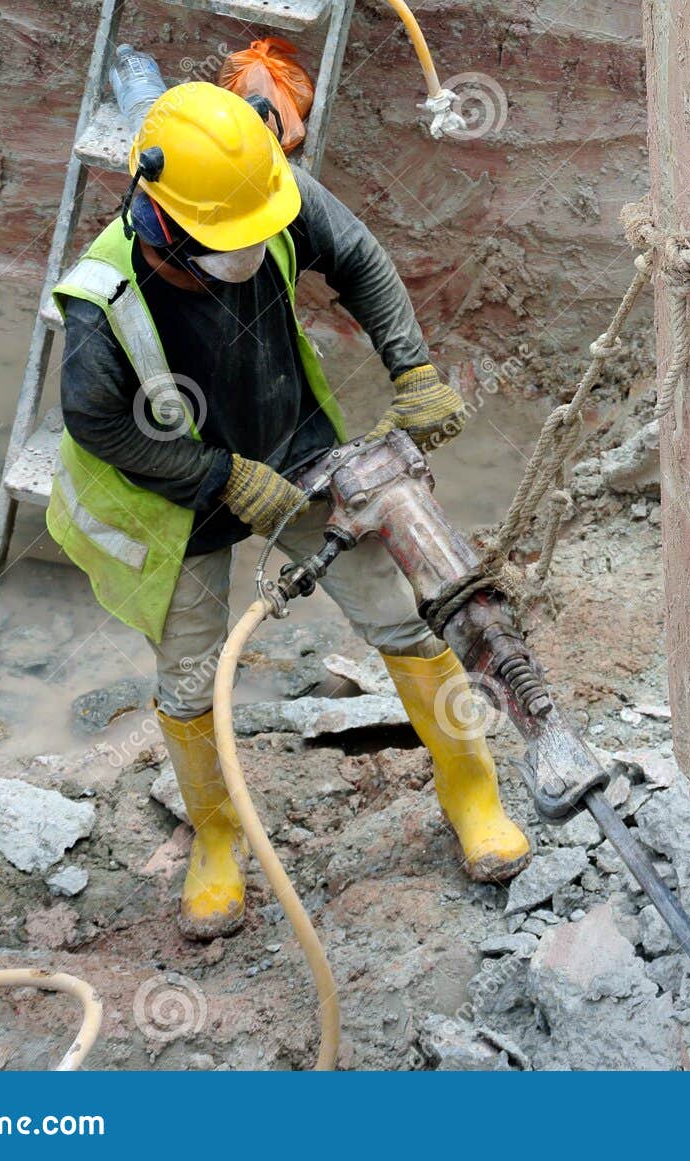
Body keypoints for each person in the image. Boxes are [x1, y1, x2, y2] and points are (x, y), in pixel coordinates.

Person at [49, 82, 530, 940]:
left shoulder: (263, 191)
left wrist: (412, 370)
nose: (253, 246)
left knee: (405, 621)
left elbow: (362, 261)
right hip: (175, 493)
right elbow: (93, 423)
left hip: (294, 445)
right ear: (160, 214)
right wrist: (218, 476)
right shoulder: (104, 301)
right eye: (228, 242)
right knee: (190, 677)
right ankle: (219, 840)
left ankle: (471, 789)